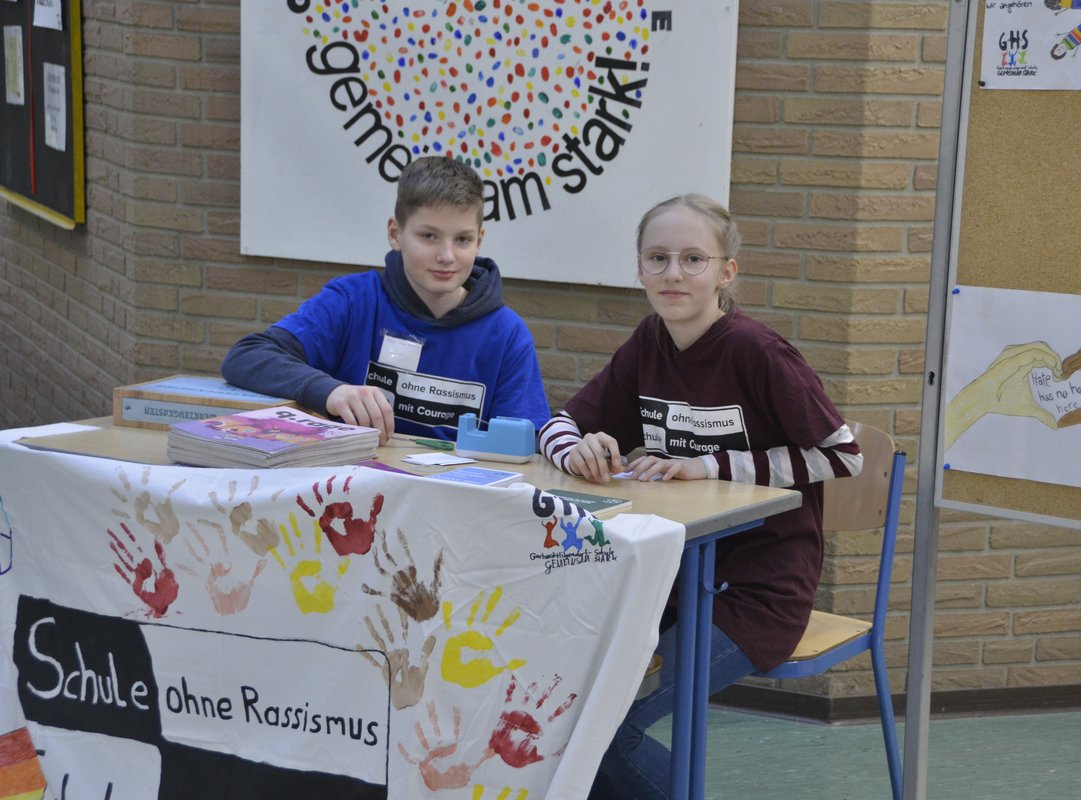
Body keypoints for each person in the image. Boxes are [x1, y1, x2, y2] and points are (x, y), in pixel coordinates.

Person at [536, 194, 862, 799]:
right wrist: (571, 451)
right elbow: (560, 422)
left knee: (605, 729)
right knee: (558, 706)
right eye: (657, 258)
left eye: (692, 258)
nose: (673, 274)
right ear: (638, 268)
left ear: (726, 271)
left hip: (757, 594)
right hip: (666, 582)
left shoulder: (758, 353)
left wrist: (710, 464)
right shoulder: (647, 342)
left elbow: (843, 455)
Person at [222, 156, 550, 443]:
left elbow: (525, 446)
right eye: (428, 236)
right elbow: (246, 356)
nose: (447, 256)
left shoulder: (507, 335)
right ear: (395, 233)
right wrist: (331, 391)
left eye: (462, 239)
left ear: (479, 241)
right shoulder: (352, 301)